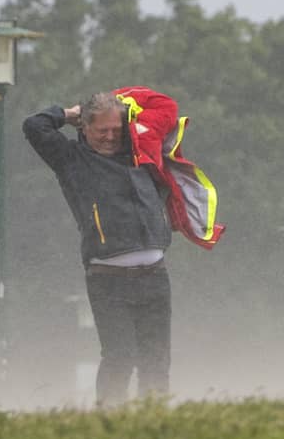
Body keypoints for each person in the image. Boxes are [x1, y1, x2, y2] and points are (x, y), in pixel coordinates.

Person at [23, 90, 178, 405]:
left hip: (155, 276)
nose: (110, 138)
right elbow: (34, 126)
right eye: (101, 131)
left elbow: (167, 107)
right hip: (108, 279)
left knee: (157, 359)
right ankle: (109, 420)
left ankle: (156, 422)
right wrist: (68, 113)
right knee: (121, 357)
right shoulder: (71, 160)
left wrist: (124, 97)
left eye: (116, 130)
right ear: (84, 129)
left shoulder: (139, 149)